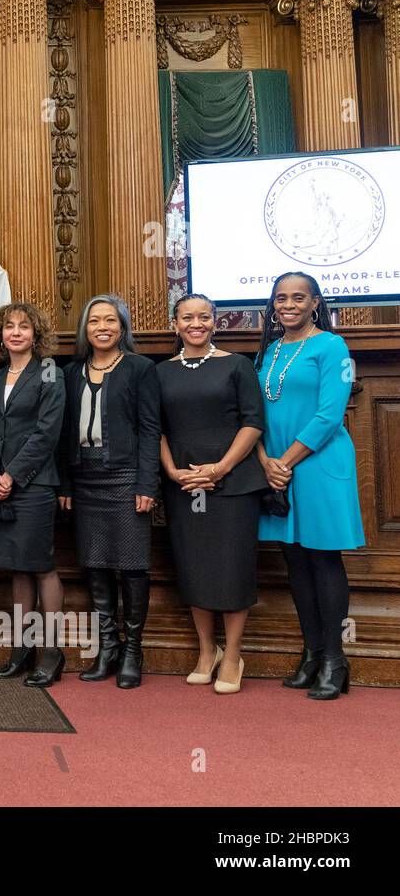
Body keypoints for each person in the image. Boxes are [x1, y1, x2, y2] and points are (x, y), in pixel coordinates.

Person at [255, 272, 364, 700]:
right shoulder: (268, 350)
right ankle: (312, 653)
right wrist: (265, 461)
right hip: (275, 466)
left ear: (315, 302)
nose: (289, 305)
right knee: (294, 561)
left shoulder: (331, 346)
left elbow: (329, 415)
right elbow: (255, 414)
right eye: (281, 298)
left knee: (322, 559)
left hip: (318, 464)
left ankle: (336, 660)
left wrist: (283, 461)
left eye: (298, 297)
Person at [157, 294, 264, 695]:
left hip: (233, 484)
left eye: (204, 317)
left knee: (232, 569)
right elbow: (155, 427)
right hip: (183, 483)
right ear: (176, 323)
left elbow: (253, 424)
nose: (196, 323)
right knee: (193, 567)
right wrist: (170, 471)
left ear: (215, 323)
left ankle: (234, 655)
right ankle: (208, 651)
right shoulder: (160, 372)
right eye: (187, 317)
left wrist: (219, 469)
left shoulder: (237, 365)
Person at [58, 294, 160, 689]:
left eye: (110, 320)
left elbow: (151, 429)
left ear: (122, 328)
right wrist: (65, 482)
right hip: (84, 477)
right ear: (85, 329)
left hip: (126, 476)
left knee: (132, 565)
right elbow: (65, 433)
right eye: (94, 321)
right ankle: (108, 648)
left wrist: (146, 483)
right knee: (95, 563)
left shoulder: (140, 369)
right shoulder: (70, 372)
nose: (102, 327)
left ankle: (133, 650)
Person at [0, 302, 65, 687]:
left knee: (41, 565)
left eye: (24, 327)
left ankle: (52, 652)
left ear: (35, 334)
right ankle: (21, 650)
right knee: (17, 566)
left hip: (34, 484)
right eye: (8, 326)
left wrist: (12, 474)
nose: (16, 332)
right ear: (0, 334)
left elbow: (47, 433)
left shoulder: (49, 372)